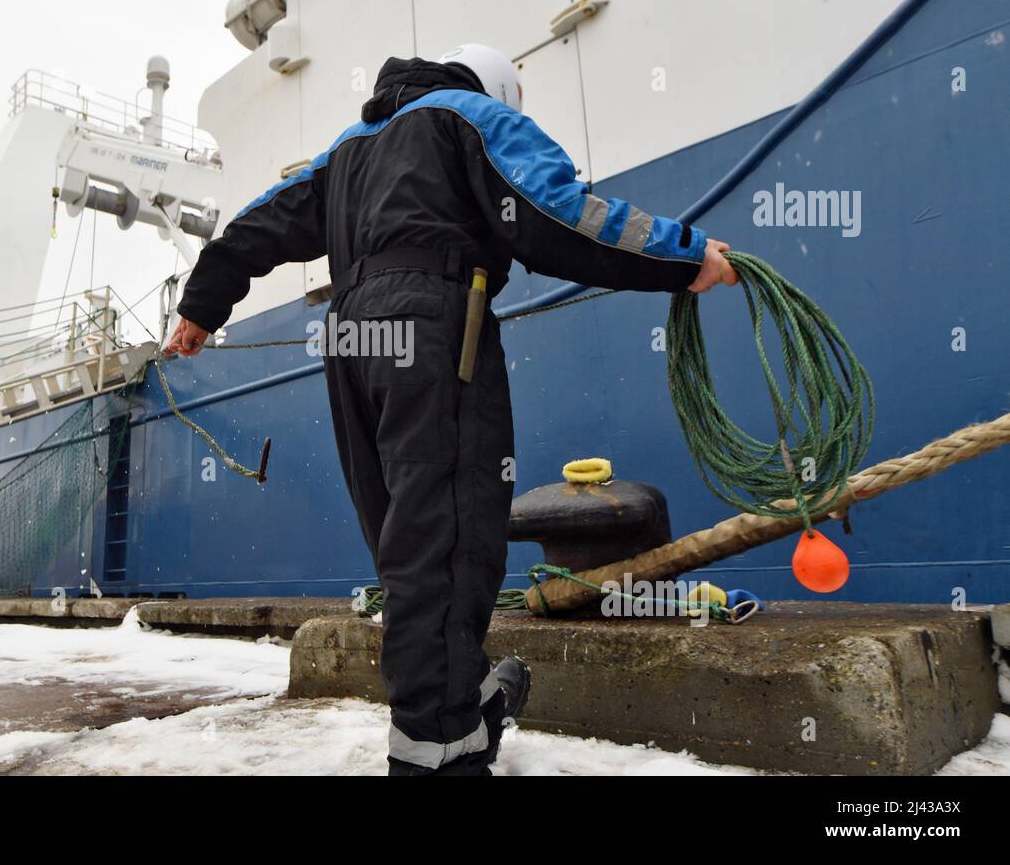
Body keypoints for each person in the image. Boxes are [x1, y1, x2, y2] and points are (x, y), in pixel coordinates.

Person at [165, 43, 738, 775]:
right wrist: (684, 257)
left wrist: (202, 307)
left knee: (407, 541)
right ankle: (439, 755)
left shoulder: (349, 147)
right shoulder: (473, 117)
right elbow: (559, 215)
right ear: (495, 89)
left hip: (351, 337)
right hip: (433, 323)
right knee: (445, 536)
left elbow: (253, 228)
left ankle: (462, 697)